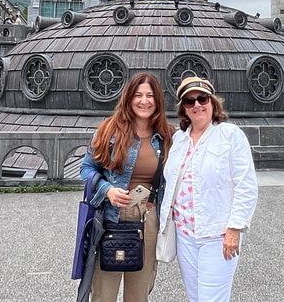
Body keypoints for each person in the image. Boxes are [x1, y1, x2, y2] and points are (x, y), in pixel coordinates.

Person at [159, 76, 258, 302]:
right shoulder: (178, 140)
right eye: (189, 101)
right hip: (184, 234)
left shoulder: (230, 135)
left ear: (213, 103)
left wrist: (235, 228)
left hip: (217, 235)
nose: (197, 105)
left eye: (202, 98)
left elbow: (246, 184)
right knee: (195, 297)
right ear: (183, 109)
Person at [78, 73, 174, 302]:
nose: (144, 101)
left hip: (147, 218)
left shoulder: (167, 136)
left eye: (150, 95)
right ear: (129, 98)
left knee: (139, 294)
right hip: (112, 216)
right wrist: (107, 190)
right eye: (138, 95)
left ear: (158, 100)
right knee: (104, 293)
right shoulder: (109, 130)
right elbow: (86, 168)